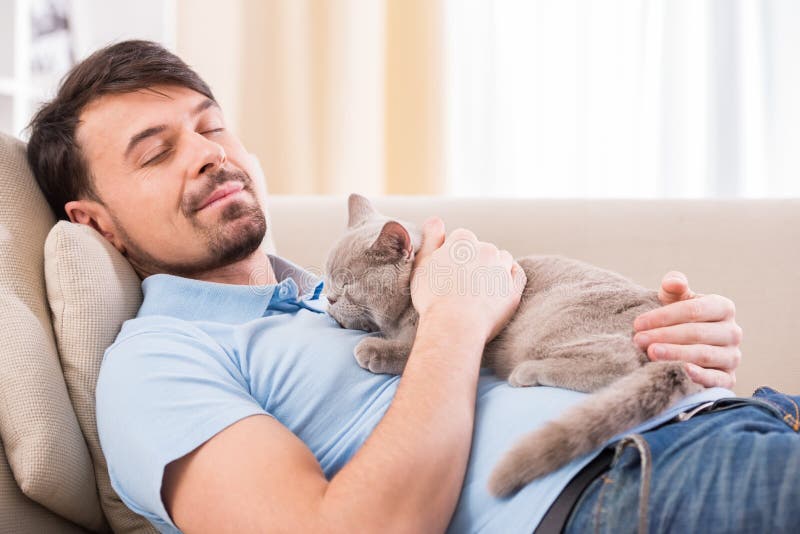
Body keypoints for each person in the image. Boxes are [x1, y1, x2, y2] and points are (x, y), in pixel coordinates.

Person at [25, 40, 796, 534]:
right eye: (156, 152)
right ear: (97, 223)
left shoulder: (336, 298)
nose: (207, 153)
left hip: (741, 416)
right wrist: (455, 321)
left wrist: (670, 345)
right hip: (622, 486)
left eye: (211, 125)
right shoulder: (156, 364)